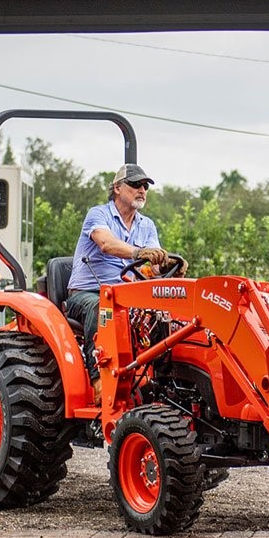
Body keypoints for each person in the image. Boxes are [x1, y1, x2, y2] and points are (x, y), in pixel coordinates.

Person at [63, 163, 183, 386]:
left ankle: (162, 380)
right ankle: (99, 381)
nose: (142, 190)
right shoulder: (98, 214)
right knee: (102, 308)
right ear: (117, 188)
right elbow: (106, 243)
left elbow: (154, 267)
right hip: (88, 293)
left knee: (164, 313)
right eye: (136, 184)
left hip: (127, 295)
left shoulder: (146, 225)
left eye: (145, 186)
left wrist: (168, 265)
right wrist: (139, 252)